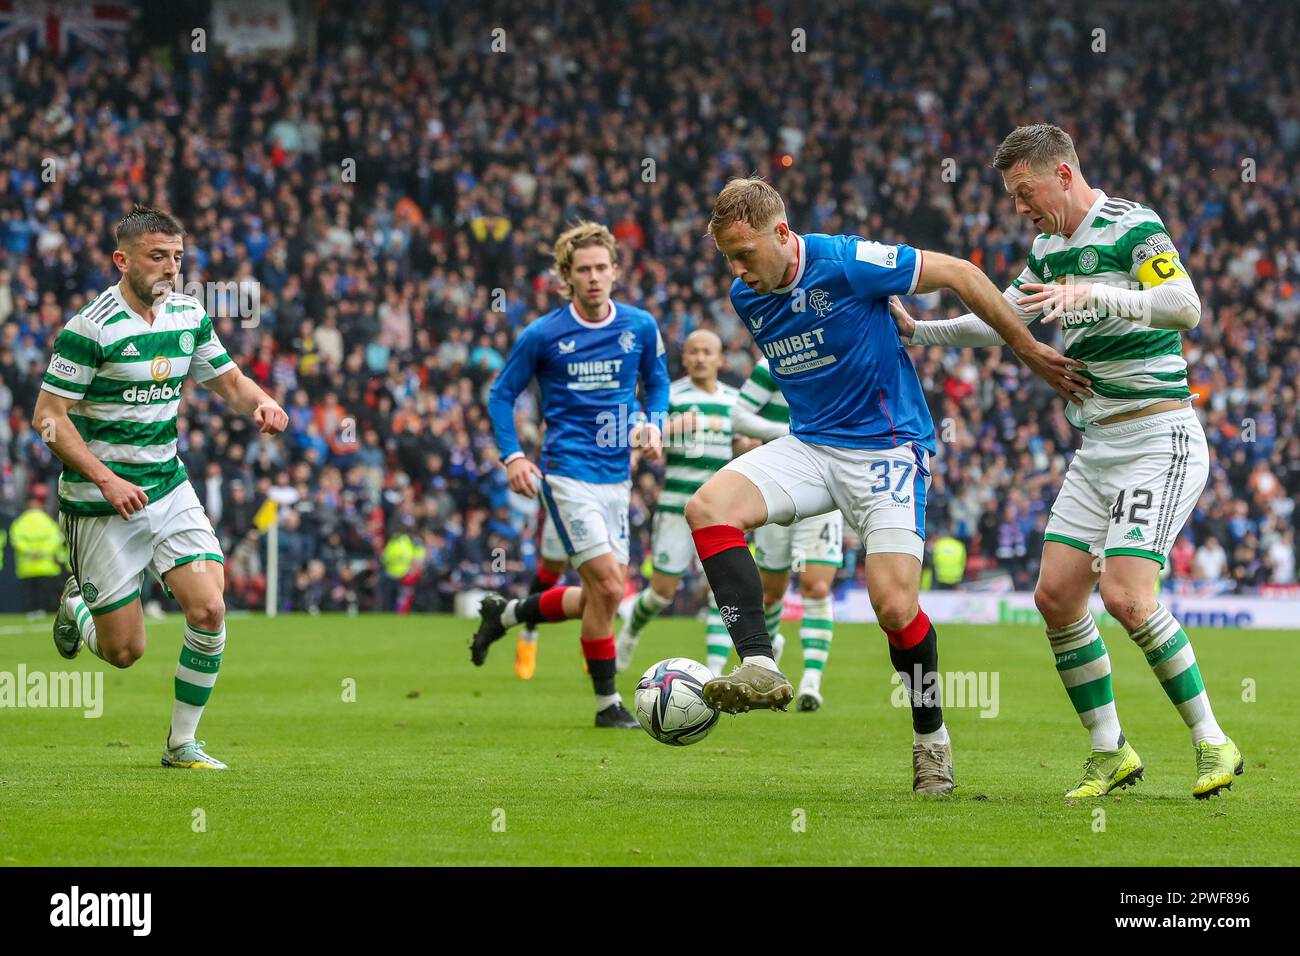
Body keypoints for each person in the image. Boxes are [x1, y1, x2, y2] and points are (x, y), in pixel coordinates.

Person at [686, 177, 1087, 794]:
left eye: (745, 254)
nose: (737, 271)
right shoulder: (749, 296)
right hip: (812, 446)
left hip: (886, 448)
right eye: (728, 258)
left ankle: (932, 743)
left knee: (894, 607)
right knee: (709, 507)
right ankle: (760, 663)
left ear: (782, 233)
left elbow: (958, 272)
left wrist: (1028, 349)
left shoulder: (845, 261)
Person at [894, 124, 1241, 799]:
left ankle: (1212, 742)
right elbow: (1002, 316)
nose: (1021, 207)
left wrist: (1097, 295)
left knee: (1127, 599)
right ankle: (1110, 752)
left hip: (1158, 438)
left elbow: (1184, 307)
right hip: (1098, 448)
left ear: (1061, 172)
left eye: (1026, 192)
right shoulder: (1049, 247)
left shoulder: (1131, 224)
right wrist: (923, 330)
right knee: (1055, 597)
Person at [34, 203, 288, 770]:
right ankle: (78, 606)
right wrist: (105, 477)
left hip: (169, 490)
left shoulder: (188, 315)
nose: (170, 267)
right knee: (125, 652)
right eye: (158, 257)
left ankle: (181, 743)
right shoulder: (90, 327)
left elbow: (229, 383)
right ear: (122, 260)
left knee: (209, 609)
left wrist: (263, 404)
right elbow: (48, 417)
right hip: (99, 505)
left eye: (176, 257)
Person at [471, 221, 670, 728]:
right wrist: (513, 455)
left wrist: (653, 423)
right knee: (606, 582)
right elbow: (500, 394)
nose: (595, 277)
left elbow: (658, 383)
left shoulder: (640, 326)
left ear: (615, 271)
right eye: (584, 270)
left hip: (616, 476)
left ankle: (508, 614)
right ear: (567, 276)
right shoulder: (543, 335)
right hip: (566, 474)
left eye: (603, 267)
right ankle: (608, 706)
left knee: (607, 591)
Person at [614, 329, 739, 675]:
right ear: (684, 359)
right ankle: (632, 629)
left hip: (721, 512)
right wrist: (675, 427)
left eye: (707, 352)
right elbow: (642, 439)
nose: (700, 358)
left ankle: (714, 673)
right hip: (676, 508)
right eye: (693, 351)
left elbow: (744, 446)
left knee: (721, 590)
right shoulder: (672, 397)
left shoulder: (735, 401)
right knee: (662, 593)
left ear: (720, 359)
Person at [730, 357, 842, 710]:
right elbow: (739, 415)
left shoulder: (843, 352)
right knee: (772, 591)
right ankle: (771, 664)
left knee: (817, 584)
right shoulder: (773, 361)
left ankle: (812, 680)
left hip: (825, 485)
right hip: (776, 486)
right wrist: (784, 436)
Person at [9, 489, 66, 617]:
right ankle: (42, 610)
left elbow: (16, 539)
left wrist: (30, 552)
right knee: (43, 590)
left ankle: (32, 610)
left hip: (27, 564)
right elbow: (55, 538)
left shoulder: (20, 522)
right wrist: (43, 552)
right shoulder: (47, 520)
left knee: (30, 591)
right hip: (45, 565)